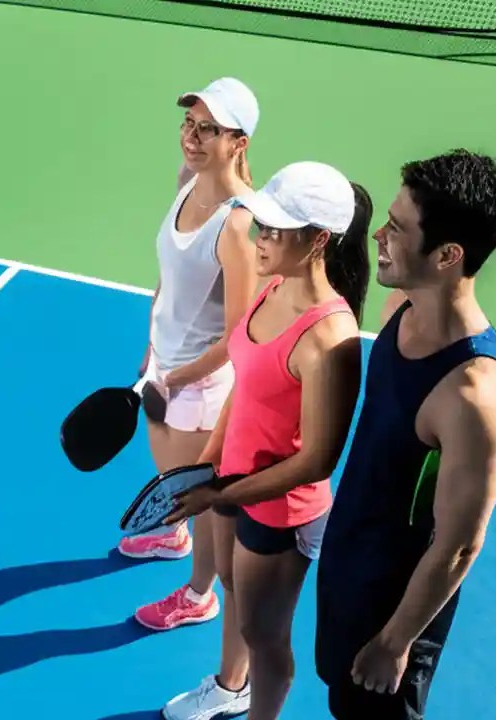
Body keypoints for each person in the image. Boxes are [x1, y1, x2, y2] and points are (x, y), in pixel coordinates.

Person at [157, 161, 373, 720]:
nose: (260, 237)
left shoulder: (332, 339)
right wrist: (204, 469)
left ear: (319, 239)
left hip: (279, 507)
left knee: (263, 633)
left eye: (277, 229)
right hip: (229, 480)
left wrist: (222, 493)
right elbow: (245, 387)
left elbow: (316, 460)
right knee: (231, 588)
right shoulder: (272, 285)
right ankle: (232, 687)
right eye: (264, 224)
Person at [313, 149, 496, 719]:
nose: (379, 233)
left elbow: (458, 544)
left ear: (448, 255)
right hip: (350, 564)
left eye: (398, 228)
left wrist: (395, 642)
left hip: (394, 608)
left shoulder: (475, 395)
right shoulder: (401, 307)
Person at [123, 78, 259, 668]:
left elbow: (239, 337)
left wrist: (175, 377)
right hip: (163, 368)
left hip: (198, 387)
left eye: (208, 129)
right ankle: (172, 539)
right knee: (165, 473)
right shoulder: (186, 186)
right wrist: (150, 348)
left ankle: (198, 594)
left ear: (238, 141)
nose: (193, 137)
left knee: (194, 498)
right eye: (189, 124)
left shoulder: (239, 226)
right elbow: (169, 277)